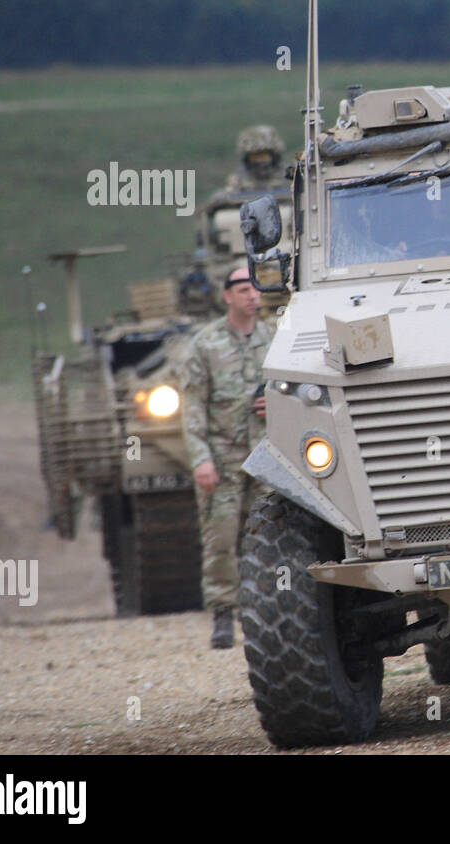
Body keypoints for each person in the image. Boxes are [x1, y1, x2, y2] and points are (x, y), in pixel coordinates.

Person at [179, 267, 275, 648]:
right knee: (220, 541)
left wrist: (281, 400)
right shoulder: (205, 345)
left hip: (269, 458)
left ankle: (270, 611)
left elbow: (304, 388)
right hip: (223, 459)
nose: (251, 295)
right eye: (242, 288)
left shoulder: (276, 338)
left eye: (255, 288)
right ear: (227, 297)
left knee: (271, 538)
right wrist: (200, 458)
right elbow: (192, 408)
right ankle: (222, 616)